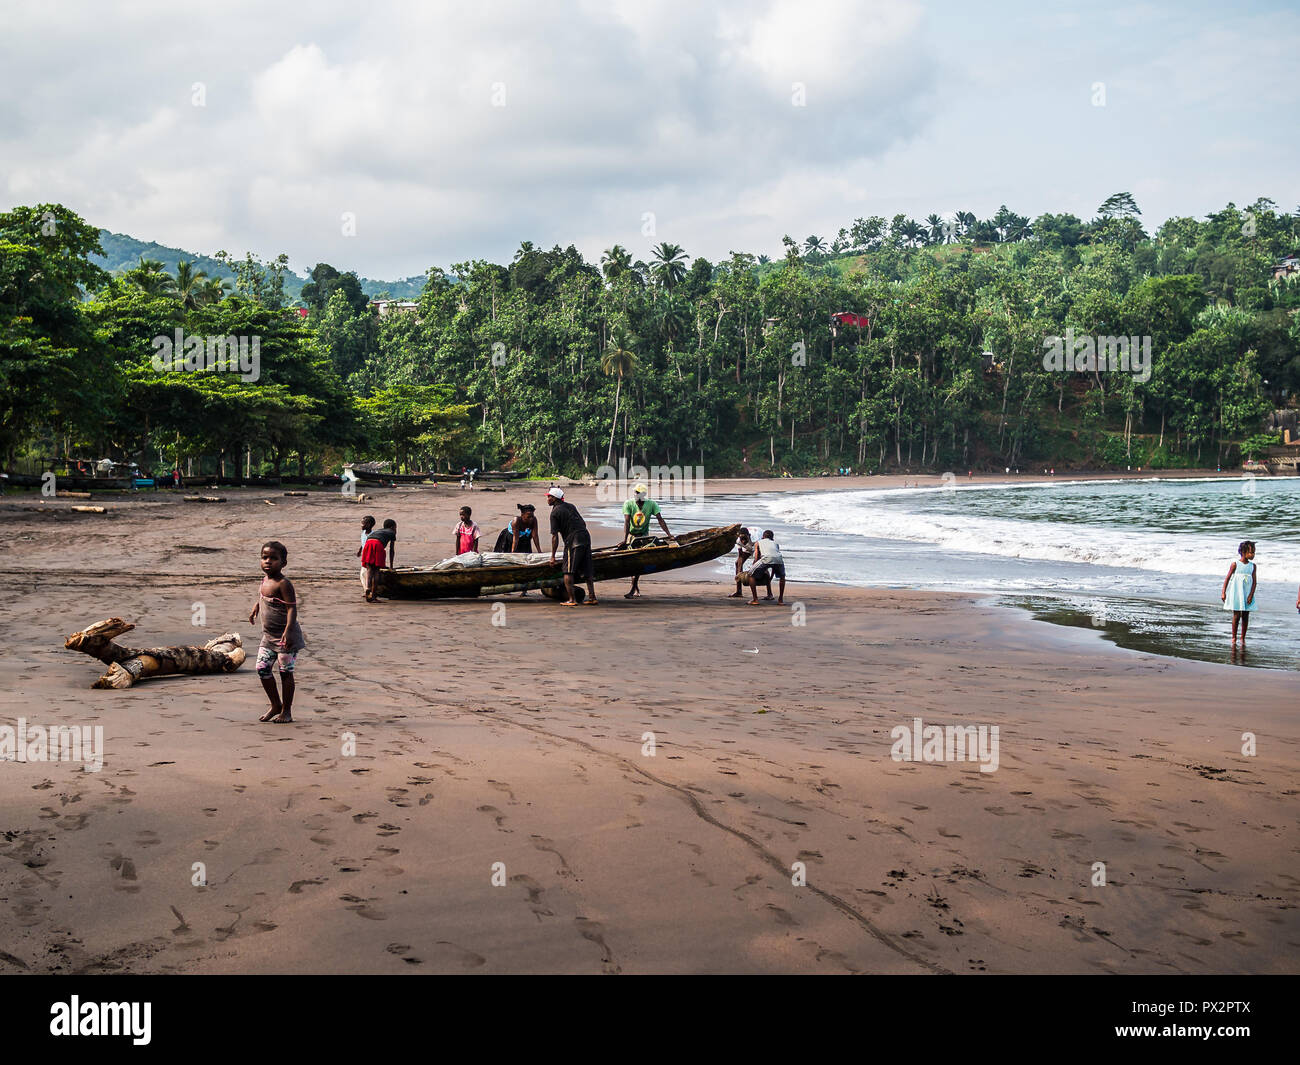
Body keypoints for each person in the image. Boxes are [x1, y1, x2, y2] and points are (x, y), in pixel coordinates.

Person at [248, 540, 306, 723]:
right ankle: (275, 704)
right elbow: (263, 596)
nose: (268, 561)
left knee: (285, 672)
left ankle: (286, 711)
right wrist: (256, 607)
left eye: (273, 558)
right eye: (264, 557)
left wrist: (288, 630)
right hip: (268, 636)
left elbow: (291, 608)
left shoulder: (283, 583)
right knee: (262, 668)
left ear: (283, 563)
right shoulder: (265, 579)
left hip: (285, 638)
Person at [621, 482, 675, 599]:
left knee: (639, 562)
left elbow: (660, 519)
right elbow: (626, 522)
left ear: (643, 494)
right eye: (635, 492)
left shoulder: (651, 504)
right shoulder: (628, 504)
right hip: (632, 536)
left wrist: (669, 535)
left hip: (644, 536)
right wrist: (625, 540)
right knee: (633, 561)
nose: (636, 495)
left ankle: (634, 587)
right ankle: (634, 587)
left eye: (639, 493)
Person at [546, 487, 596, 606]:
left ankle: (572, 599)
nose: (547, 499)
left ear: (555, 498)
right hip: (585, 536)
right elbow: (583, 523)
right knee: (587, 570)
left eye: (549, 497)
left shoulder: (555, 513)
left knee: (568, 571)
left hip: (573, 541)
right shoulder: (571, 506)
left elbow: (555, 536)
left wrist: (552, 556)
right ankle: (592, 597)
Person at [1221, 540, 1257, 646]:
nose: (1253, 555)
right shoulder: (1235, 564)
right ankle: (1233, 637)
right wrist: (1223, 592)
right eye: (1251, 552)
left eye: (1254, 552)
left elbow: (1254, 582)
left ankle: (1243, 637)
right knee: (1236, 615)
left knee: (1246, 615)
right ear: (1243, 552)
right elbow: (1227, 578)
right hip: (1237, 593)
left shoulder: (1253, 566)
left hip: (1247, 594)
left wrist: (1251, 594)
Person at [361, 518, 397, 602]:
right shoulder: (392, 533)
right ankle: (373, 596)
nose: (396, 530)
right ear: (392, 527)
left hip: (368, 543)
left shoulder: (379, 531)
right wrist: (391, 566)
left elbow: (368, 539)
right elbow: (391, 550)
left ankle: (368, 588)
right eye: (395, 528)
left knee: (370, 569)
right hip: (377, 544)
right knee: (376, 571)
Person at [747, 530, 786, 606]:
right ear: (772, 538)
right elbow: (774, 557)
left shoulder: (758, 542)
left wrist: (753, 567)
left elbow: (757, 556)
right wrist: (771, 576)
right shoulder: (776, 543)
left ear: (763, 536)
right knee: (782, 577)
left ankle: (755, 599)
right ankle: (780, 600)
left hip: (766, 558)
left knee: (750, 575)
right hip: (779, 559)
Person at [729, 528, 757, 598]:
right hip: (749, 548)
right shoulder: (738, 541)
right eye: (742, 538)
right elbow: (740, 555)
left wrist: (754, 565)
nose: (743, 541)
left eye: (745, 538)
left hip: (758, 548)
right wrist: (739, 573)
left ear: (749, 535)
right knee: (737, 563)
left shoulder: (756, 538)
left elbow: (758, 554)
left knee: (762, 566)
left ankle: (769, 593)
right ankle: (739, 591)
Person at [356, 514, 376, 591]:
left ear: (369, 525)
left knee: (365, 573)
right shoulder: (363, 533)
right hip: (365, 555)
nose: (361, 525)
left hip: (370, 555)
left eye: (363, 524)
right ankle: (367, 589)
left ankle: (368, 589)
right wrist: (360, 550)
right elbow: (363, 542)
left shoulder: (373, 535)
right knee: (363, 574)